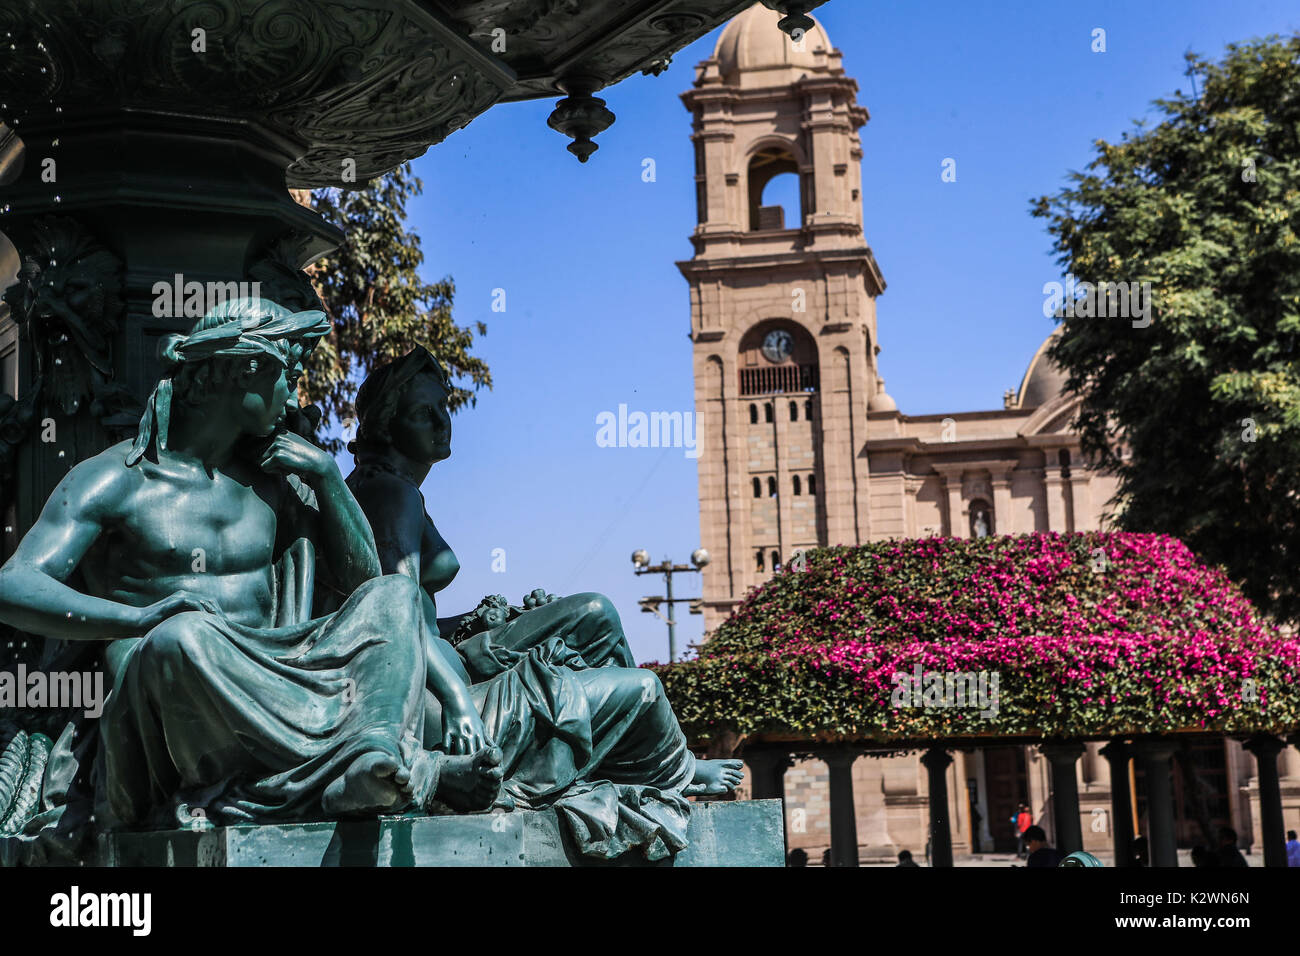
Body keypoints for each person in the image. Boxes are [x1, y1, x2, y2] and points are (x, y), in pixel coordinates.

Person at [0, 299, 505, 828]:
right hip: (175, 693)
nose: (292, 394)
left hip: (277, 671)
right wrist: (137, 619)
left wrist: (328, 478)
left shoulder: (272, 484)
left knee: (397, 595)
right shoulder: (117, 478)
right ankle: (343, 773)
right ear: (246, 370)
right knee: (184, 637)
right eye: (287, 374)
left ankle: (369, 759)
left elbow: (367, 588)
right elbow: (14, 585)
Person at [343, 347, 744, 859]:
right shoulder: (389, 495)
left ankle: (633, 754)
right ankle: (670, 771)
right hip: (437, 699)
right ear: (385, 423)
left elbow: (407, 609)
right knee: (643, 689)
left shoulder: (394, 488)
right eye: (424, 413)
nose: (443, 423)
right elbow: (393, 617)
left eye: (444, 407)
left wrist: (475, 621)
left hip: (444, 662)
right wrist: (462, 703)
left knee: (594, 613)